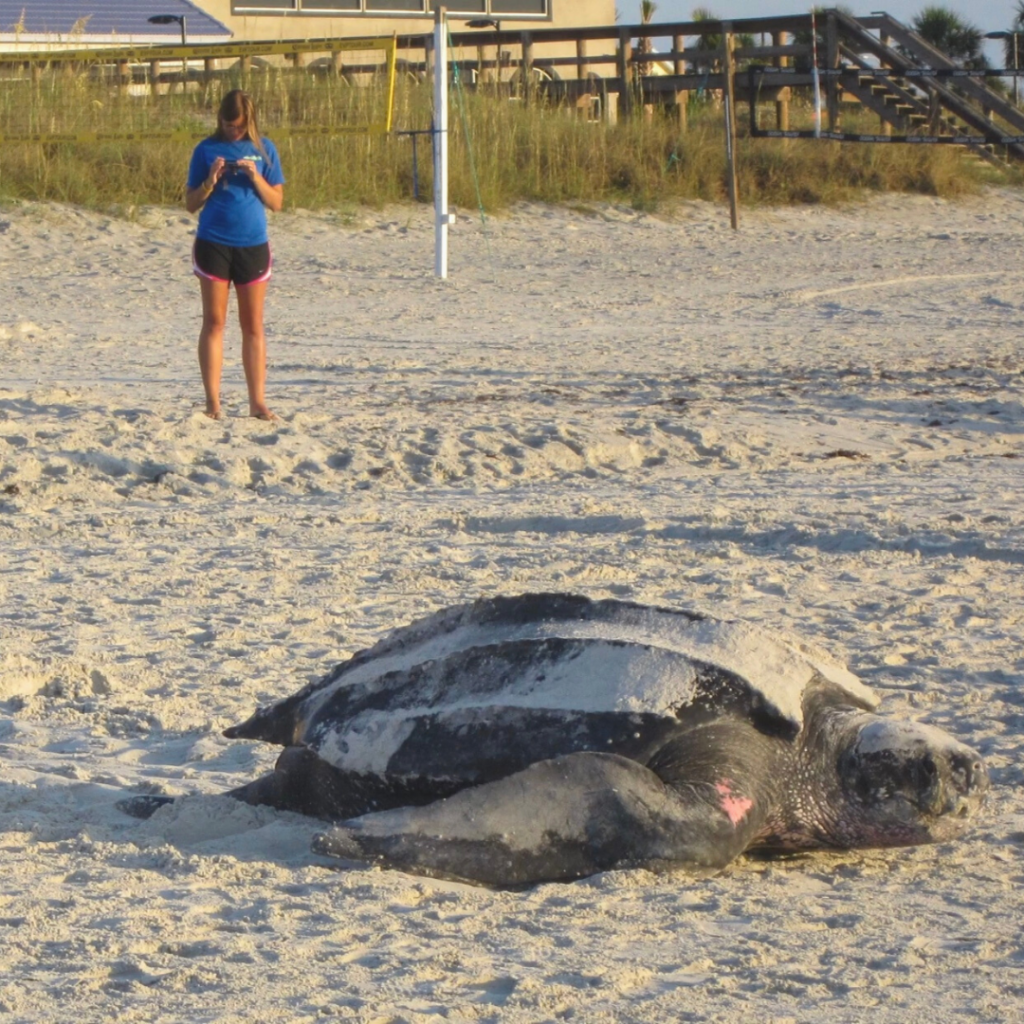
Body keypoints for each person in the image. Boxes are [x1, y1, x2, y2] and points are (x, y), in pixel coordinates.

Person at [185, 89, 285, 420]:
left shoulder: (264, 150)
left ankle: (257, 402)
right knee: (214, 322)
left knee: (252, 324)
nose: (234, 132)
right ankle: (213, 403)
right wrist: (211, 180)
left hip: (252, 244)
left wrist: (255, 176)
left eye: (240, 127)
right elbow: (190, 203)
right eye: (229, 126)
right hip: (214, 242)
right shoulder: (205, 149)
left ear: (250, 122)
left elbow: (277, 202)